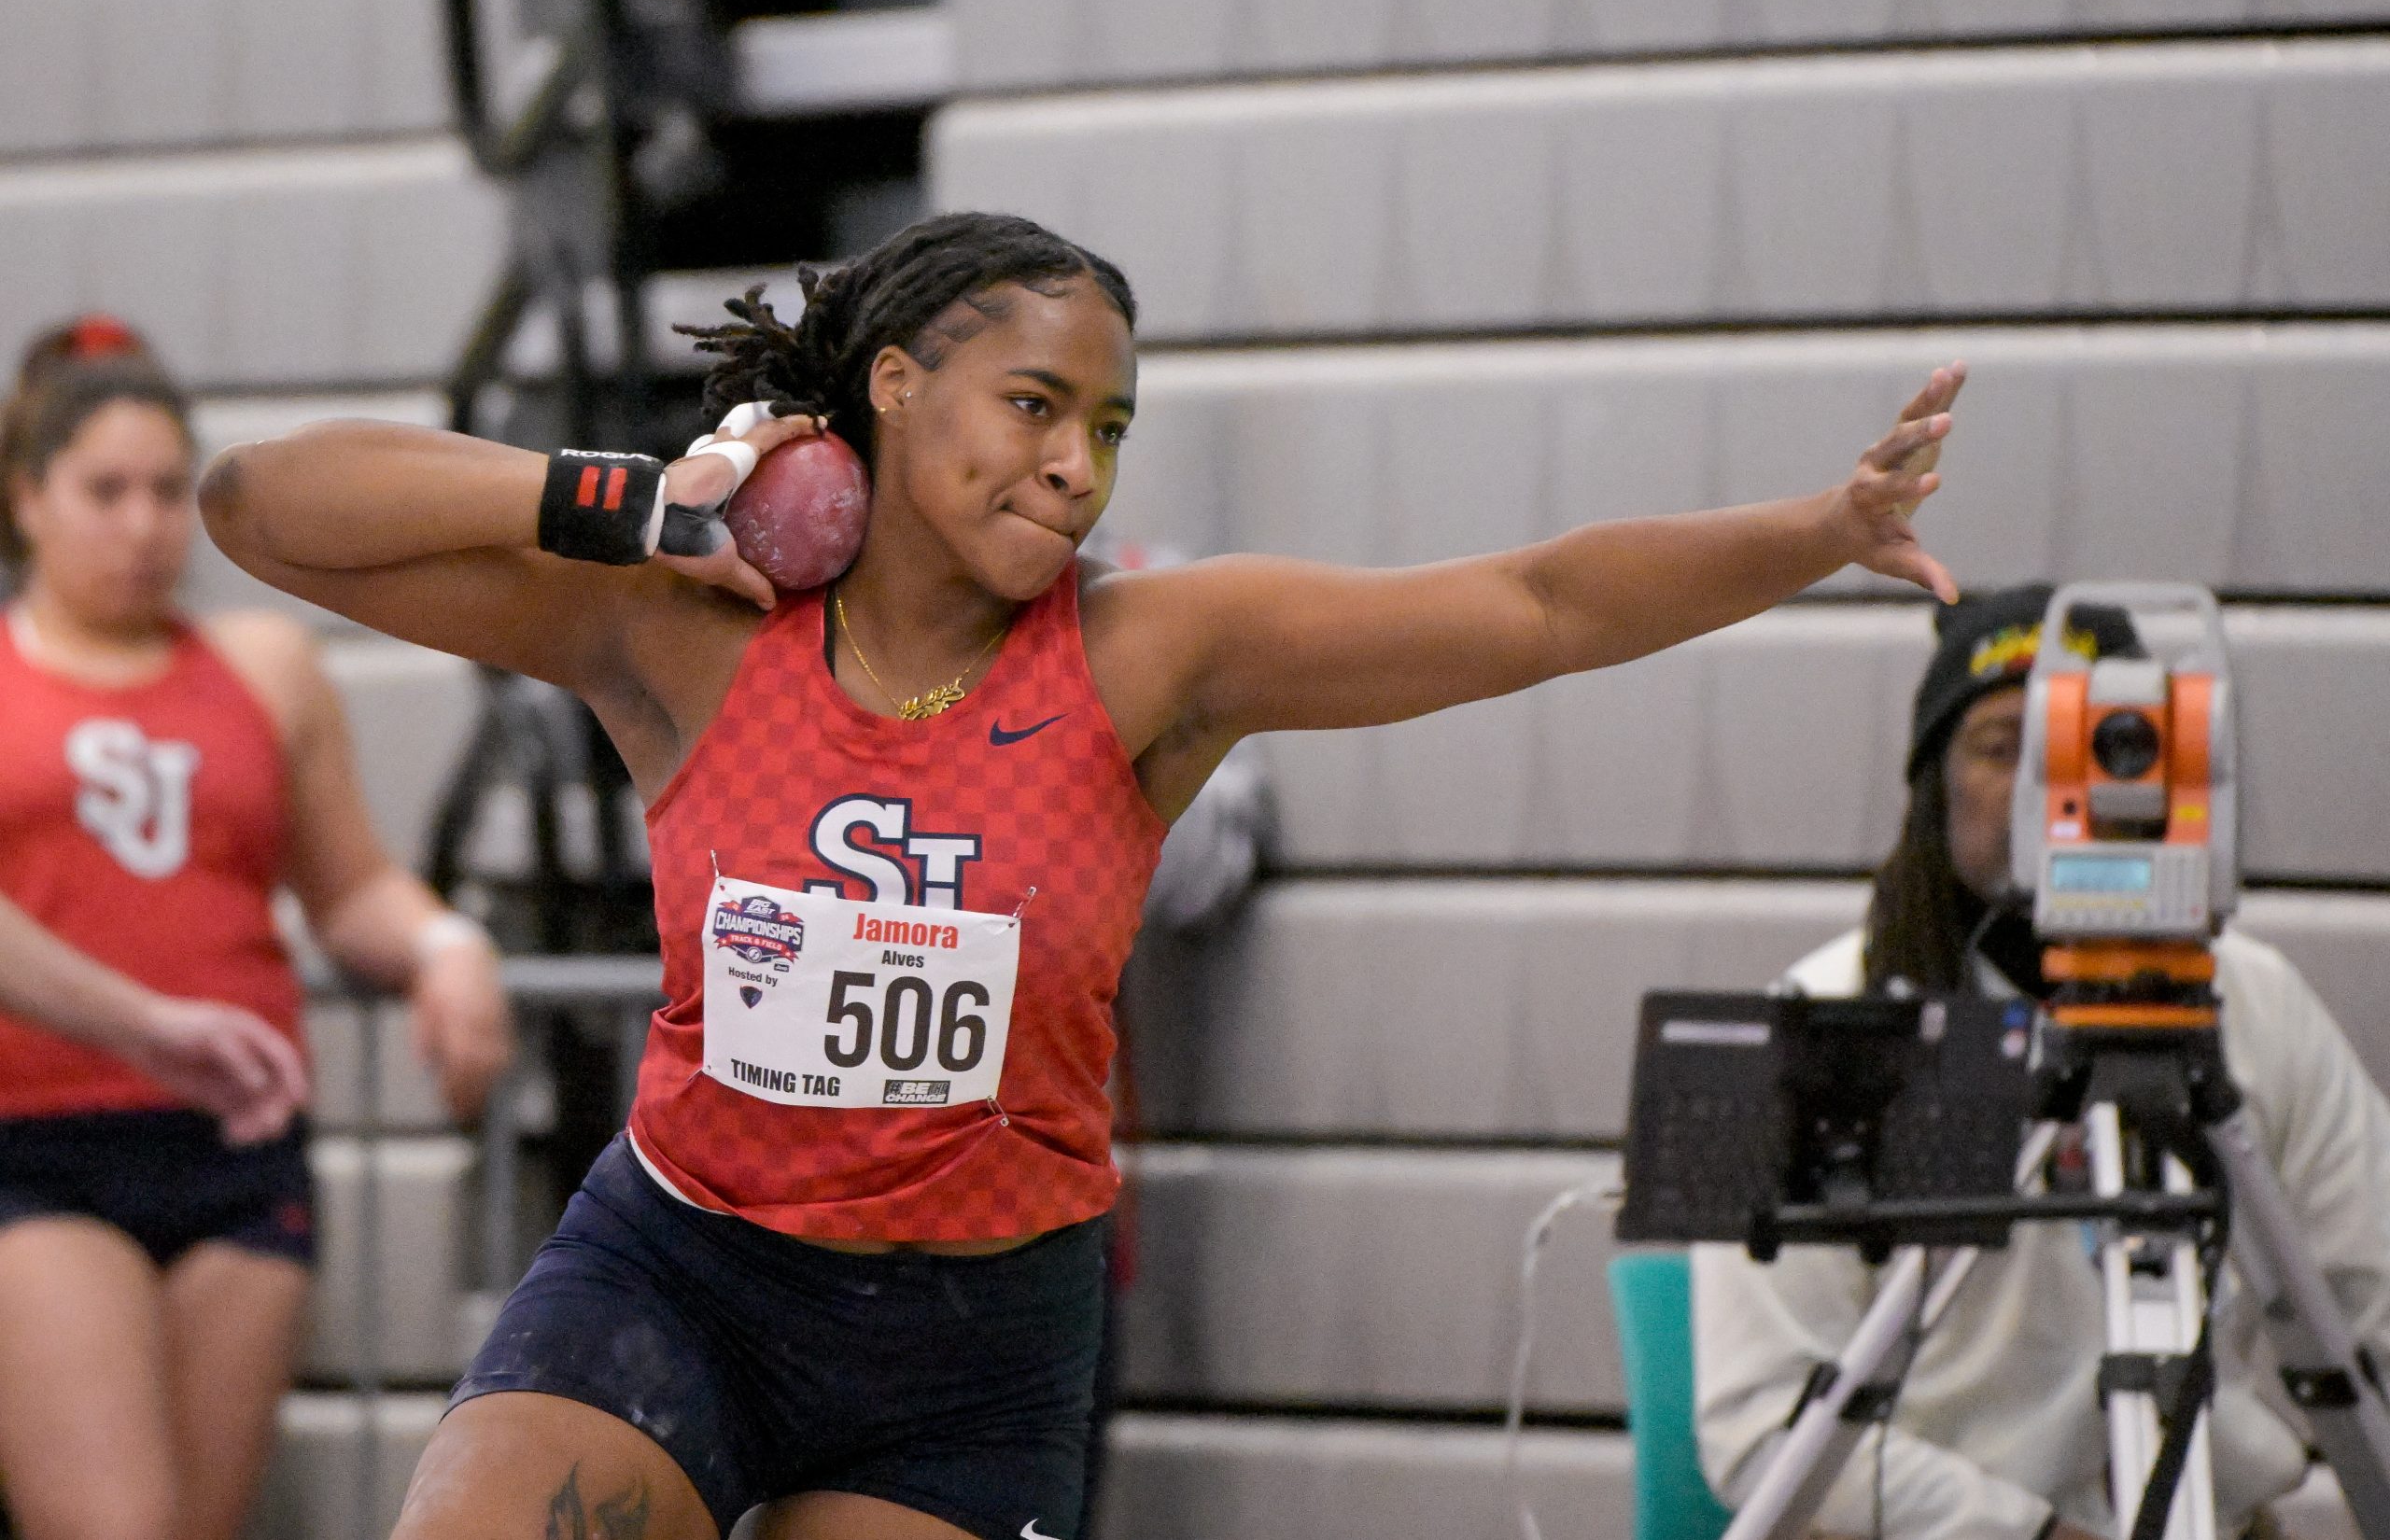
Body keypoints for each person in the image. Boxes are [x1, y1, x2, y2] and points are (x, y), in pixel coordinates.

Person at [201, 209, 1962, 1540]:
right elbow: (260, 501)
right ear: (890, 390)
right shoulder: (690, 633)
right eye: (1033, 403)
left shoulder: (1148, 657)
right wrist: (636, 500)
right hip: (685, 1267)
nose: (1074, 462)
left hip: (968, 1348)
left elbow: (1535, 607)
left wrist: (1815, 534)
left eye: (1108, 428)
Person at [1693, 584, 2390, 1540]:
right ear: (1934, 787)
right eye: (2000, 745)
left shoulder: (2253, 1001)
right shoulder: (1832, 1025)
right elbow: (1762, 1422)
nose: (2049, 788)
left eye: (2102, 740)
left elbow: (2377, 1294)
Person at [0, 317, 515, 1540]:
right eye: (106, 491)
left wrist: (449, 947)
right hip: (39, 1132)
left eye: (169, 491)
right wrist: (142, 1021)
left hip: (237, 1136)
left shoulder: (263, 663)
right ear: (28, 499)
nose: (143, 524)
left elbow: (349, 887)